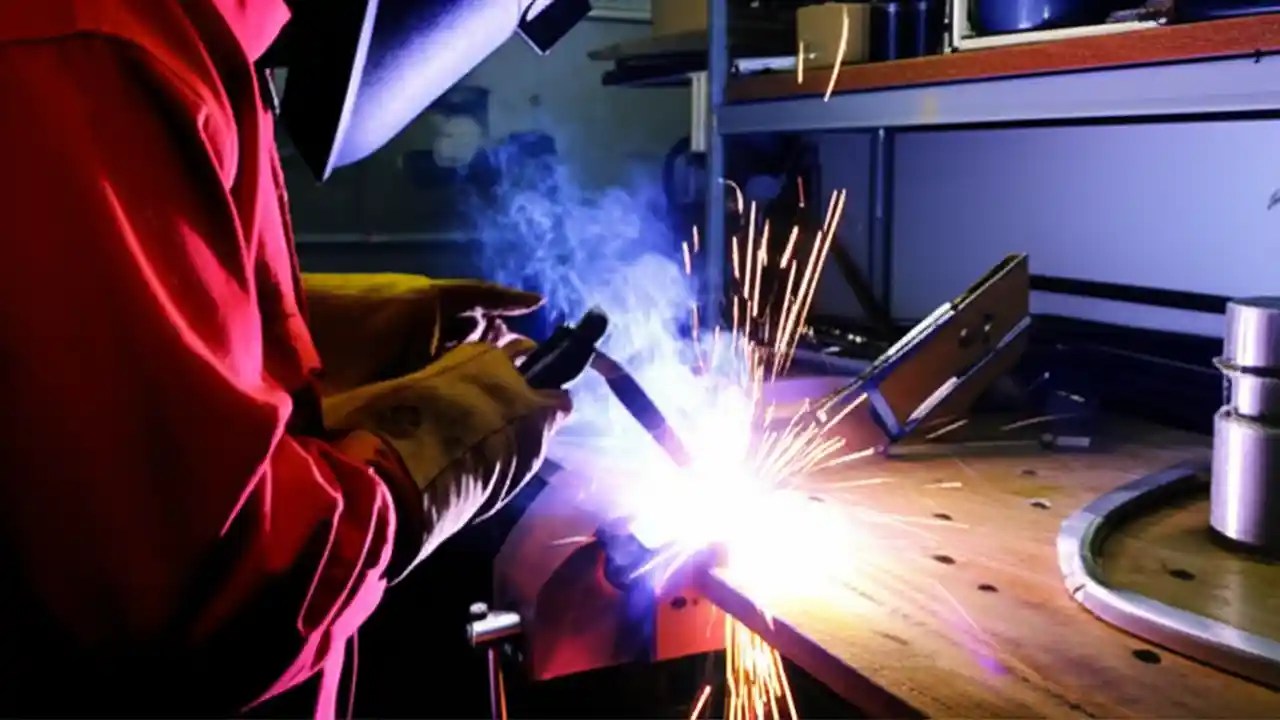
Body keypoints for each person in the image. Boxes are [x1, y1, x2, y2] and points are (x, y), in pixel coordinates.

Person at [0, 0, 585, 716]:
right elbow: (199, 597)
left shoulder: (161, 30)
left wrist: (307, 333)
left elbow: (61, 318)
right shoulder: (103, 42)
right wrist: (418, 461)